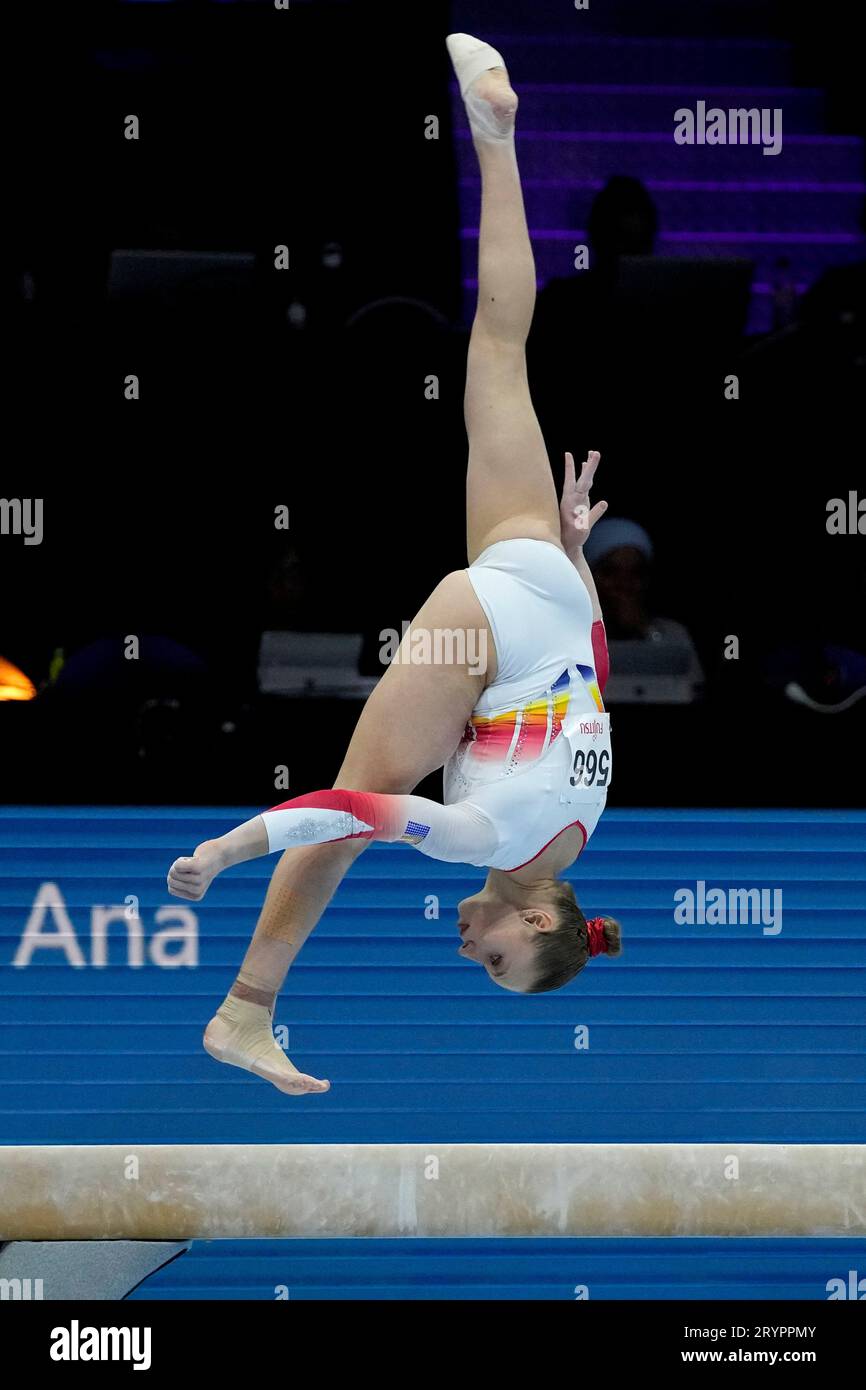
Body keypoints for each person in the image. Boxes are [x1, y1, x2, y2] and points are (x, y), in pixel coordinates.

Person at [167, 35, 621, 1096]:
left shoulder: (585, 817)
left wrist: (569, 555)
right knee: (365, 786)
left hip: (541, 582)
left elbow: (594, 676)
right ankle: (244, 1010)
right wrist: (224, 852)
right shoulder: (486, 839)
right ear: (542, 915)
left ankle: (493, 137)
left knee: (499, 347)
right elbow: (346, 810)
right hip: (489, 620)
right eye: (498, 957)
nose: (471, 950)